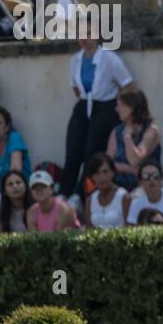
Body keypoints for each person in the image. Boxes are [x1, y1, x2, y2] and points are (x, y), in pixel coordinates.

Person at [63, 31, 134, 199]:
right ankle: (64, 193)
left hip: (105, 107)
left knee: (91, 154)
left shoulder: (109, 58)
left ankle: (83, 195)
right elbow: (75, 87)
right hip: (84, 105)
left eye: (88, 33)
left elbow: (128, 84)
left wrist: (117, 103)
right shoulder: (76, 59)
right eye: (80, 34)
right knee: (73, 151)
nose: (84, 39)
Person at [107, 86, 162, 191]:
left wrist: (127, 136)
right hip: (118, 185)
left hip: (144, 186)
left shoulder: (151, 131)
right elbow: (108, 163)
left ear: (132, 107)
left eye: (120, 106)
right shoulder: (116, 131)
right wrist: (131, 170)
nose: (116, 109)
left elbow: (134, 160)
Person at [124, 159, 163, 223]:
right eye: (146, 176)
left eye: (155, 175)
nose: (152, 179)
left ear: (162, 179)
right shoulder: (136, 202)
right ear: (140, 182)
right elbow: (131, 226)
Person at [0, 169, 32, 234]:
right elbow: (0, 235)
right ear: (5, 191)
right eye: (10, 184)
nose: (15, 186)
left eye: (18, 182)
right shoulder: (1, 209)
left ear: (26, 186)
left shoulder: (35, 207)